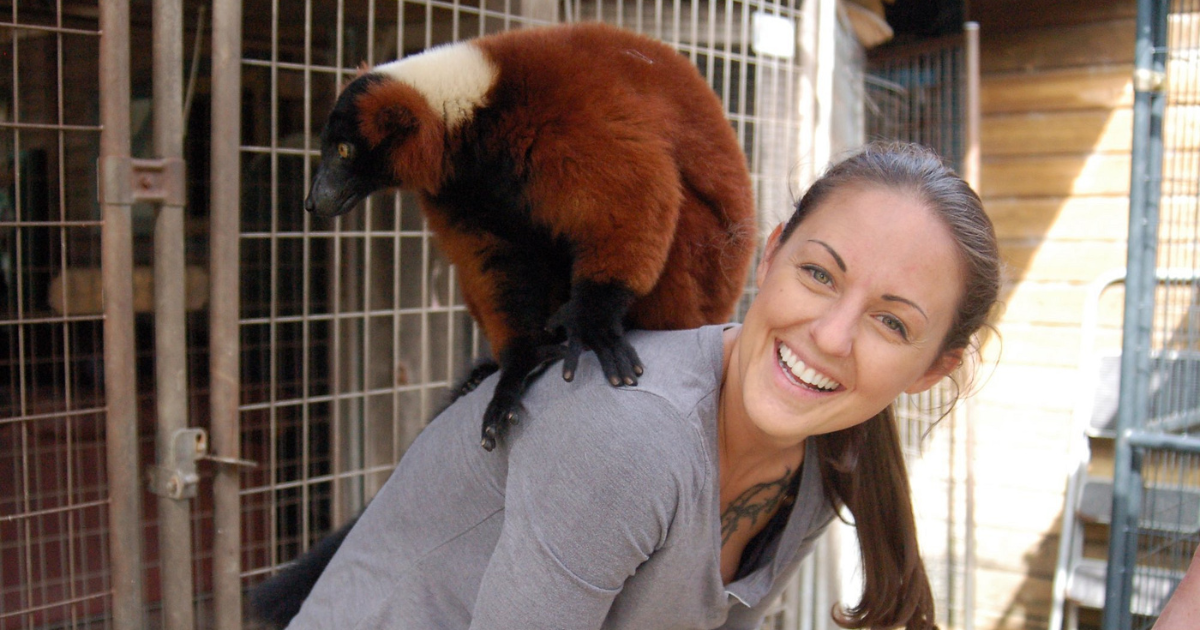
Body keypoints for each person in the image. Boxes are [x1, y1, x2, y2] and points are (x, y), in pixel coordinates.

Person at [281, 141, 1002, 630]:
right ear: (770, 255)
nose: (831, 336)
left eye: (892, 323)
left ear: (935, 369)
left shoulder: (819, 464)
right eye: (819, 274)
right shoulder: (633, 434)